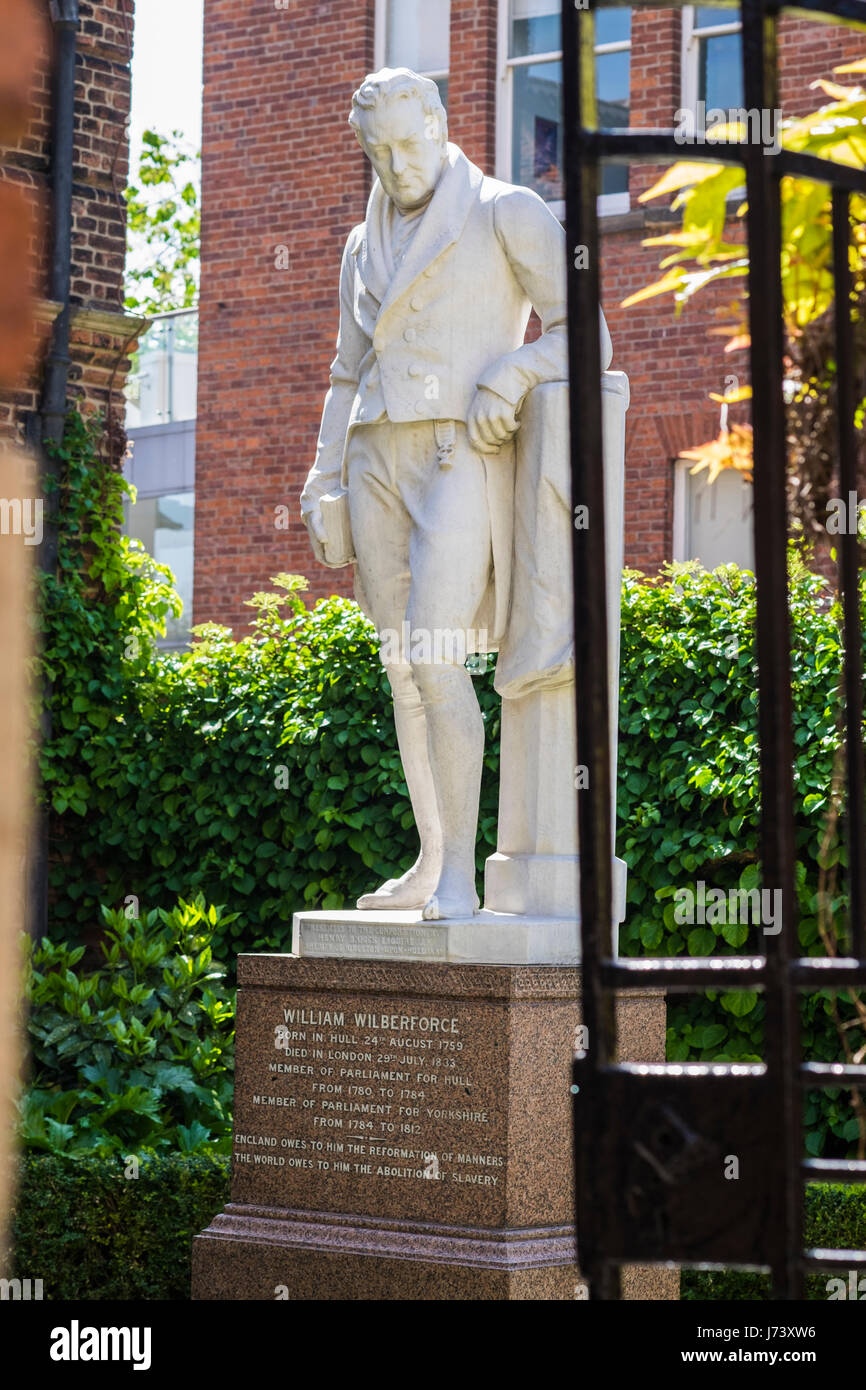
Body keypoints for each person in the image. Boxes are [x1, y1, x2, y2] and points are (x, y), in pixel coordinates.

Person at [300, 67, 611, 920]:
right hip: (375, 460)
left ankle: (463, 877)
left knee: (437, 656)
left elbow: (589, 334)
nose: (397, 166)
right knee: (402, 668)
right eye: (378, 152)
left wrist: (513, 375)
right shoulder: (360, 245)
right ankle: (433, 857)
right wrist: (321, 478)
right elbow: (344, 371)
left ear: (439, 124)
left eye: (408, 144)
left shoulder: (504, 208)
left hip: (457, 455)